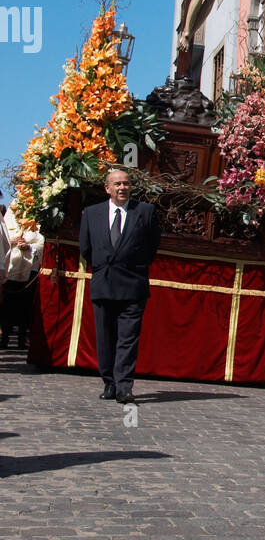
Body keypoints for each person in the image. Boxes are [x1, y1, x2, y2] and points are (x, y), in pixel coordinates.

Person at [79, 166, 161, 403]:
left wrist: (133, 266)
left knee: (128, 337)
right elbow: (86, 248)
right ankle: (109, 383)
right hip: (103, 284)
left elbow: (152, 245)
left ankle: (124, 385)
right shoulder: (91, 213)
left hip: (132, 285)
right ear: (107, 189)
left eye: (126, 183)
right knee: (105, 338)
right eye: (117, 184)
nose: (122, 187)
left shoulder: (145, 212)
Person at [0, 206, 44, 350]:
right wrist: (12, 241)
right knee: (6, 306)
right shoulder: (8, 219)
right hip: (10, 267)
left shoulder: (37, 220)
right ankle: (4, 337)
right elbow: (3, 238)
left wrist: (29, 247)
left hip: (28, 269)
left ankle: (22, 338)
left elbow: (41, 243)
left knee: (25, 306)